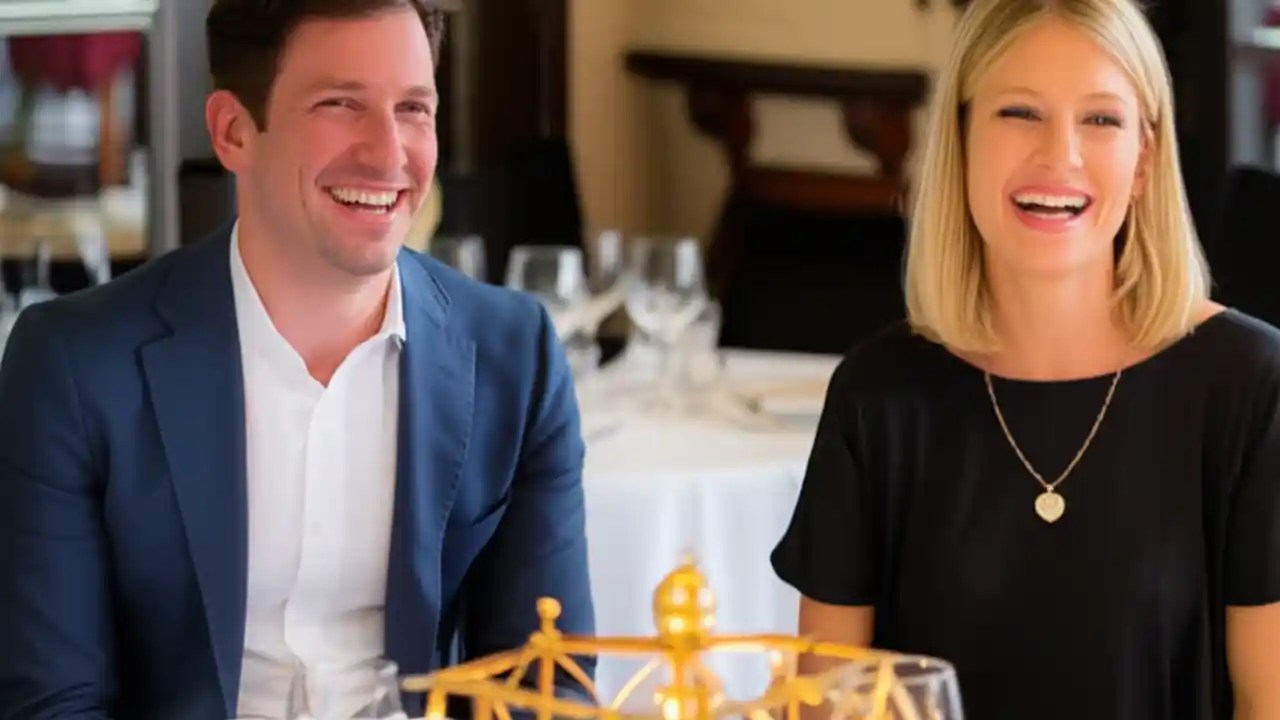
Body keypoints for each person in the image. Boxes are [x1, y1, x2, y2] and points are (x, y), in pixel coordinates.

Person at [0, 1, 594, 718]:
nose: (389, 153)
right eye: (340, 104)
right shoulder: (74, 364)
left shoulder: (515, 355)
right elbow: (52, 703)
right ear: (232, 131)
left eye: (413, 108)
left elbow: (546, 685)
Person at [770, 0, 1280, 718]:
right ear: (961, 139)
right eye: (1019, 113)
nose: (1059, 156)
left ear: (1144, 159)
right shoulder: (878, 394)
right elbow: (827, 708)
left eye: (1101, 119)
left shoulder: (1249, 385)